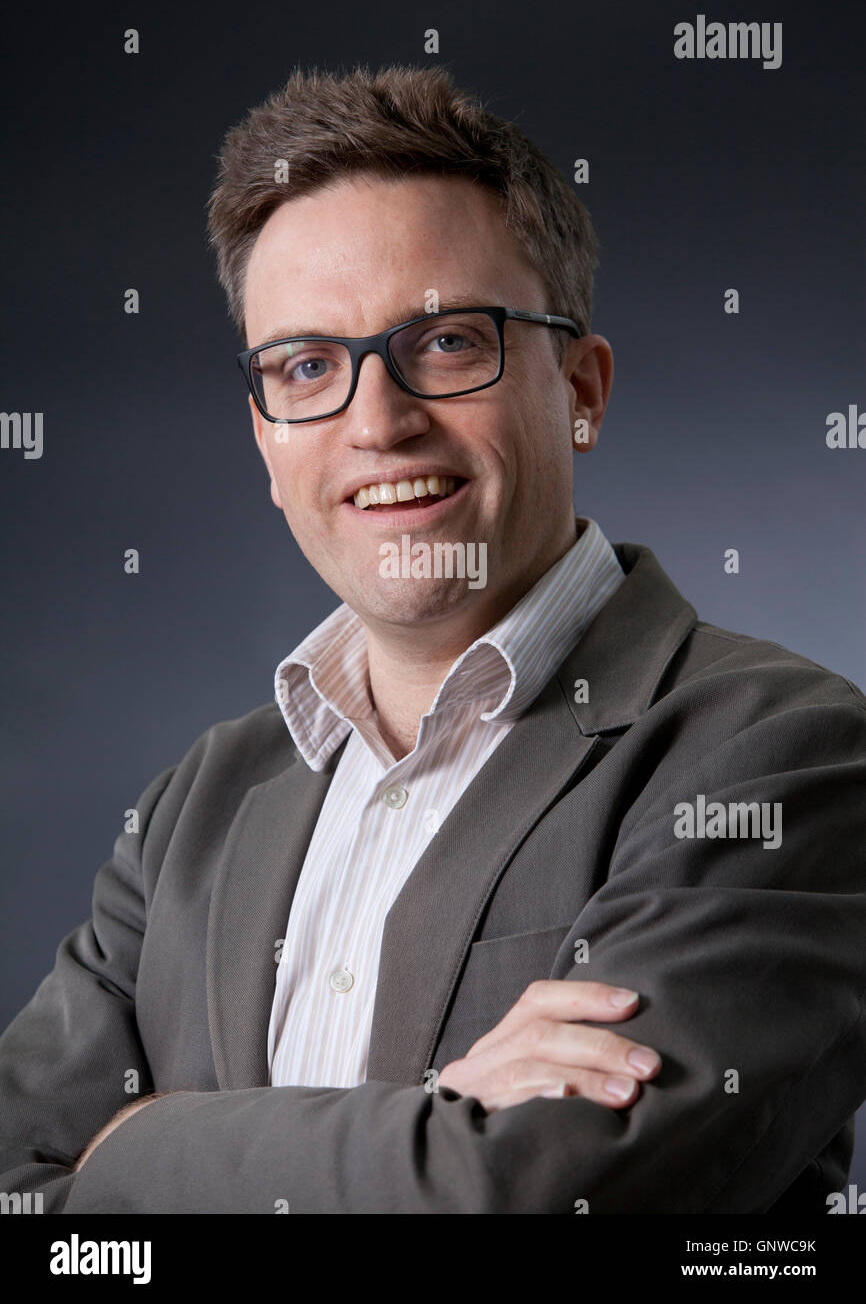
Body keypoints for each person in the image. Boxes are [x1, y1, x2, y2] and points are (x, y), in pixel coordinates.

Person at [1, 65, 864, 1215]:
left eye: (450, 341)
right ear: (265, 439)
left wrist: (129, 1150)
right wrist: (432, 1118)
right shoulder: (189, 812)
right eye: (306, 366)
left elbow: (529, 1199)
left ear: (580, 389)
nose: (376, 421)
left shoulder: (784, 755)